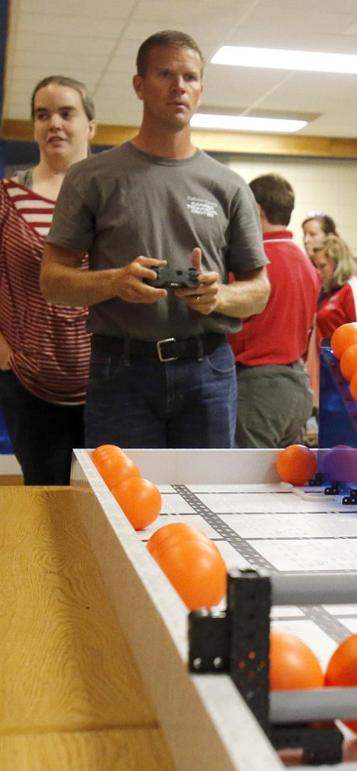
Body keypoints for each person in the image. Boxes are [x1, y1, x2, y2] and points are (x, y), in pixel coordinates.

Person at [41, 30, 269, 449]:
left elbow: (259, 291)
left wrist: (217, 297)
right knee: (120, 506)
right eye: (166, 74)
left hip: (209, 372)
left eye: (190, 77)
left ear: (201, 90)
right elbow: (53, 280)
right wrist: (114, 282)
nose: (179, 86)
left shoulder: (229, 186)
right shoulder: (92, 177)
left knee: (208, 501)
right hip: (121, 371)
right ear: (139, 85)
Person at [0, 76, 96, 484]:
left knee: (109, 500)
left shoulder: (113, 197)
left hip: (109, 382)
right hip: (28, 381)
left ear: (90, 126)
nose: (54, 123)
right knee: (47, 496)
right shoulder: (7, 197)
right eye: (43, 115)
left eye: (66, 113)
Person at [231, 173, 320, 448]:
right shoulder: (306, 263)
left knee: (248, 483)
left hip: (259, 387)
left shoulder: (254, 264)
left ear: (256, 209)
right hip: (296, 384)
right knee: (280, 483)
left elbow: (229, 319)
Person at [313, 236, 357, 341]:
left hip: (346, 355)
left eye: (323, 266)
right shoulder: (331, 291)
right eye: (316, 266)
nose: (318, 272)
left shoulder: (354, 289)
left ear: (337, 264)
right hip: (329, 354)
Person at [302, 212, 357, 282]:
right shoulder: (303, 266)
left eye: (312, 234)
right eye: (304, 234)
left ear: (330, 237)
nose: (306, 240)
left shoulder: (351, 266)